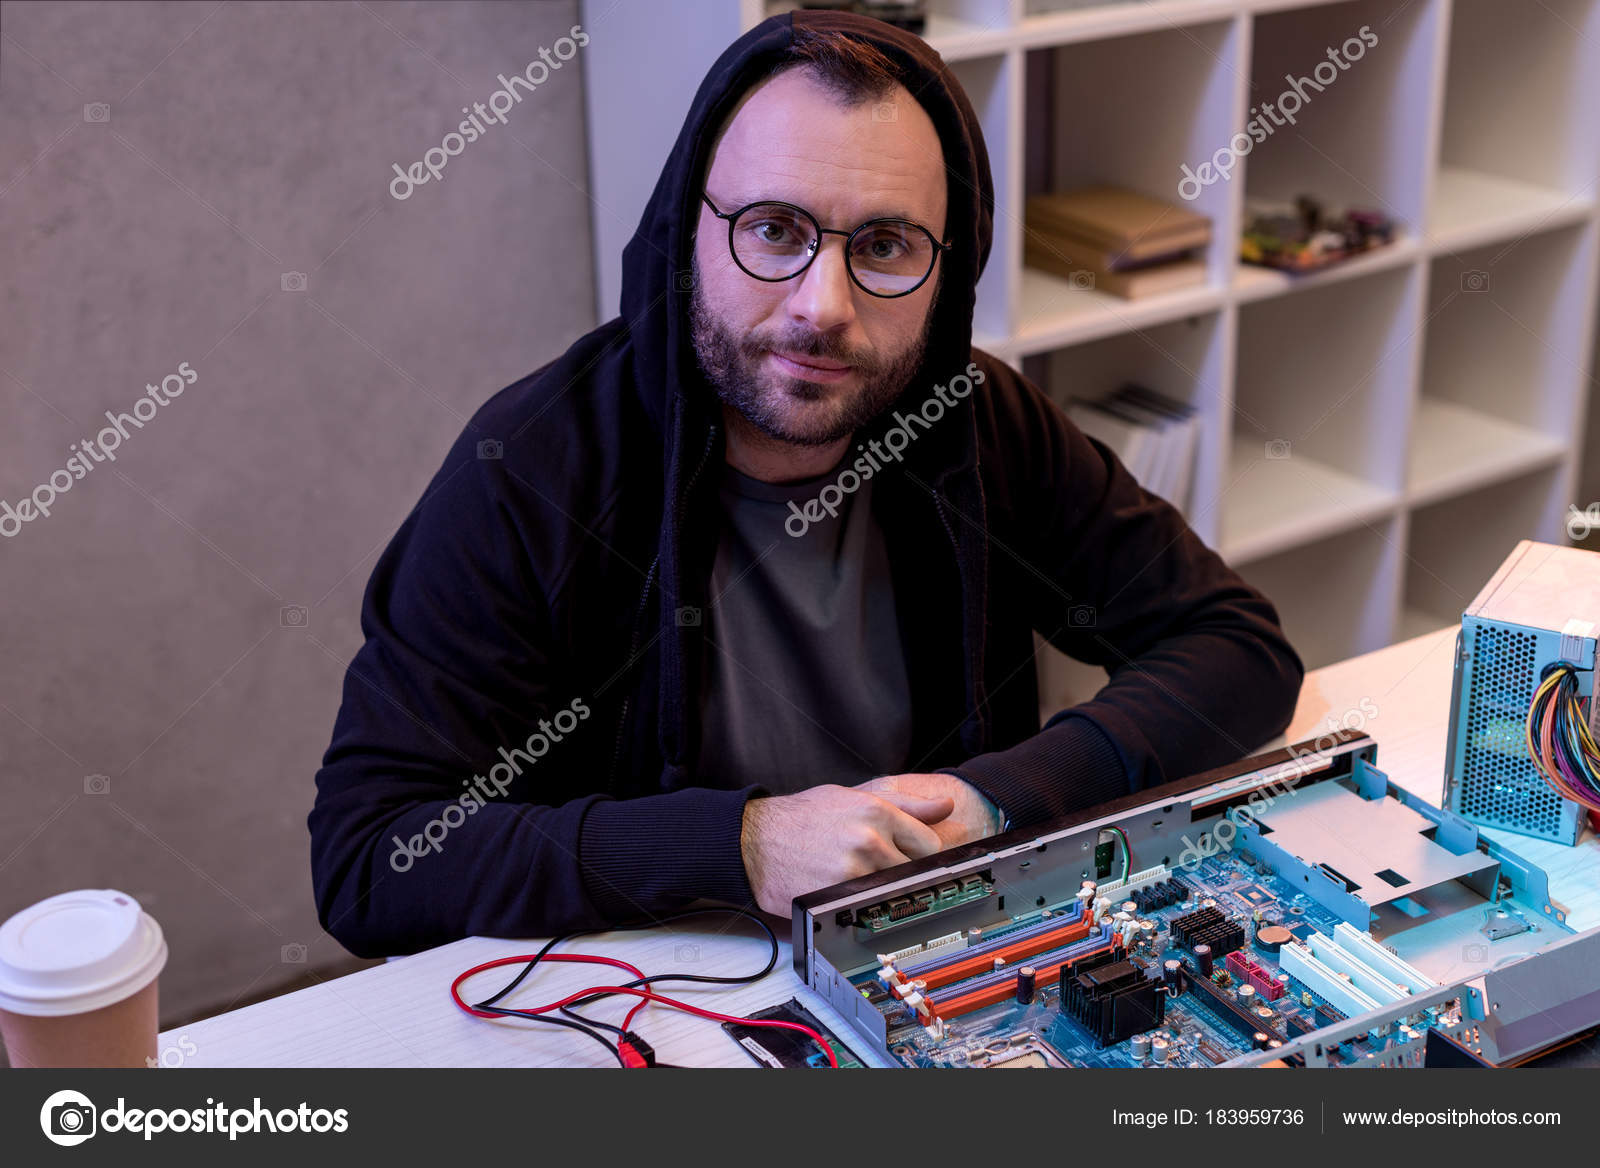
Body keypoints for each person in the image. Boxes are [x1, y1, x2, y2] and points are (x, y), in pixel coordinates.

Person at [308, 12, 1303, 958]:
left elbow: (1237, 647)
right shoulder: (531, 469)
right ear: (684, 229)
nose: (822, 309)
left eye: (882, 247)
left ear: (946, 272)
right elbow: (372, 853)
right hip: (656, 999)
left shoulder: (976, 419)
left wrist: (997, 799)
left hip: (944, 969)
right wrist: (740, 845)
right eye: (774, 230)